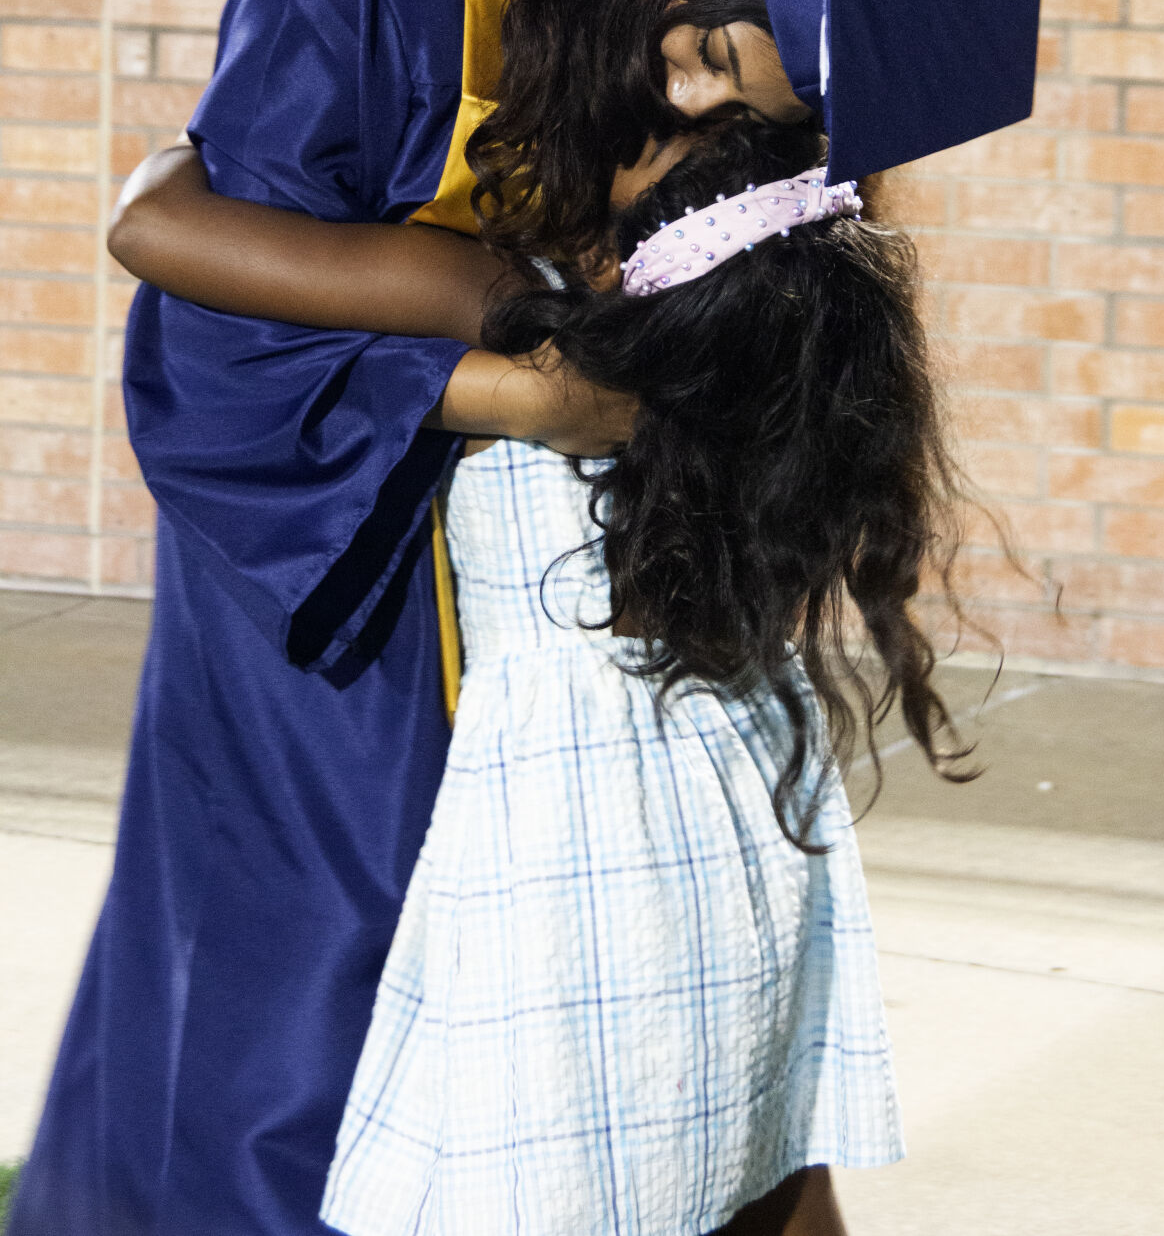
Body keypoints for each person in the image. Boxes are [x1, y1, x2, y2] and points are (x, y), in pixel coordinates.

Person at [17, 0, 1045, 1236]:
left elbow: (161, 216)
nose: (693, 92)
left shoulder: (794, 71)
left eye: (740, 101)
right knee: (316, 992)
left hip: (582, 645)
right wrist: (525, 376)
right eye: (707, 56)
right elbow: (206, 318)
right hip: (337, 585)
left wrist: (538, 372)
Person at [322, 120, 952, 1236]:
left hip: (583, 835)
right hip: (749, 796)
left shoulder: (543, 342)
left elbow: (211, 267)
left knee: (576, 1180)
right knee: (772, 1163)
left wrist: (179, 163)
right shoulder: (784, 325)